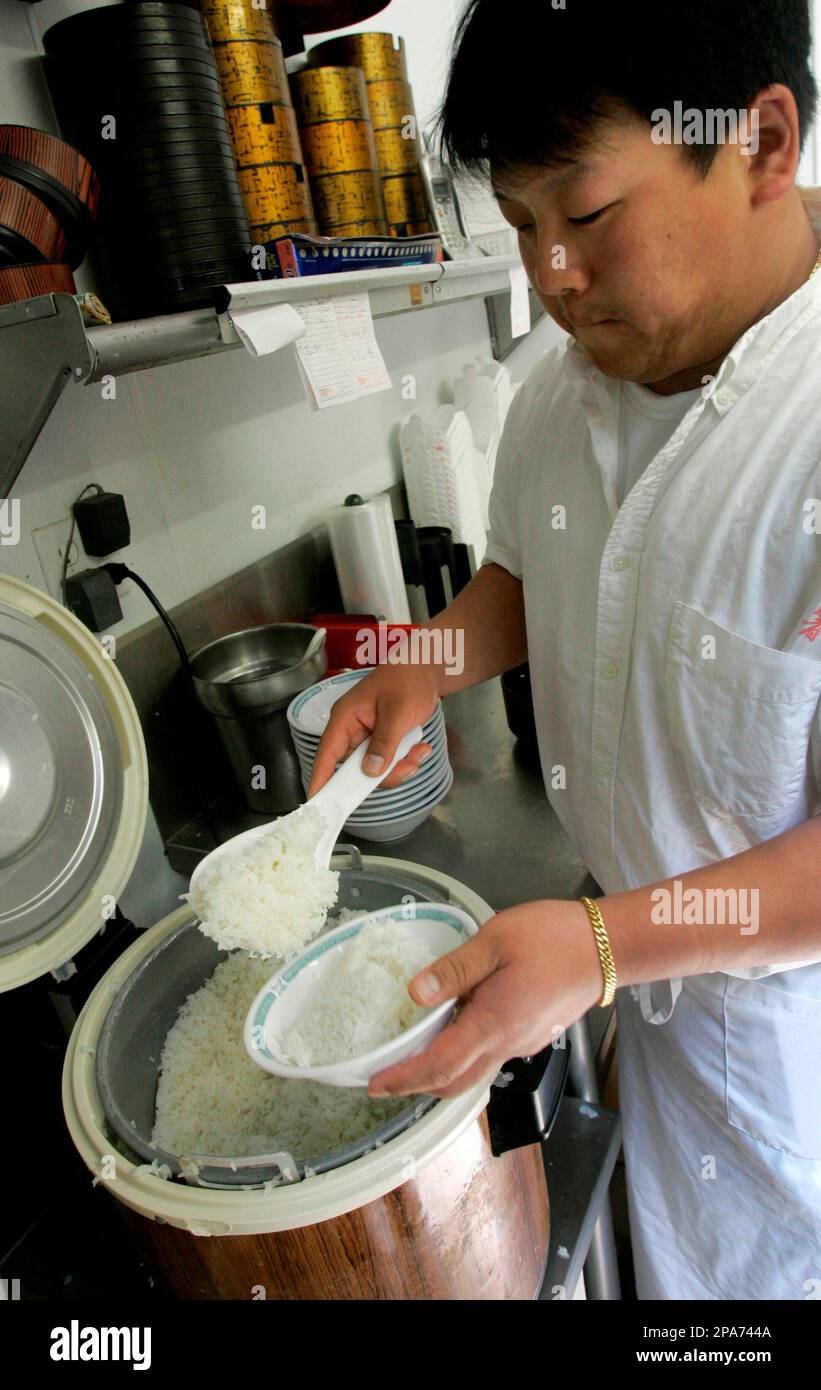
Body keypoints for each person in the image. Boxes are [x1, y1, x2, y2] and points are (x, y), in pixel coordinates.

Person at [309, 0, 821, 1300]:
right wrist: (426, 653)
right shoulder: (563, 384)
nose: (548, 277)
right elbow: (530, 572)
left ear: (761, 140)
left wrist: (600, 944)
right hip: (642, 992)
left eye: (585, 217)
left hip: (790, 1045)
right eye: (520, 225)